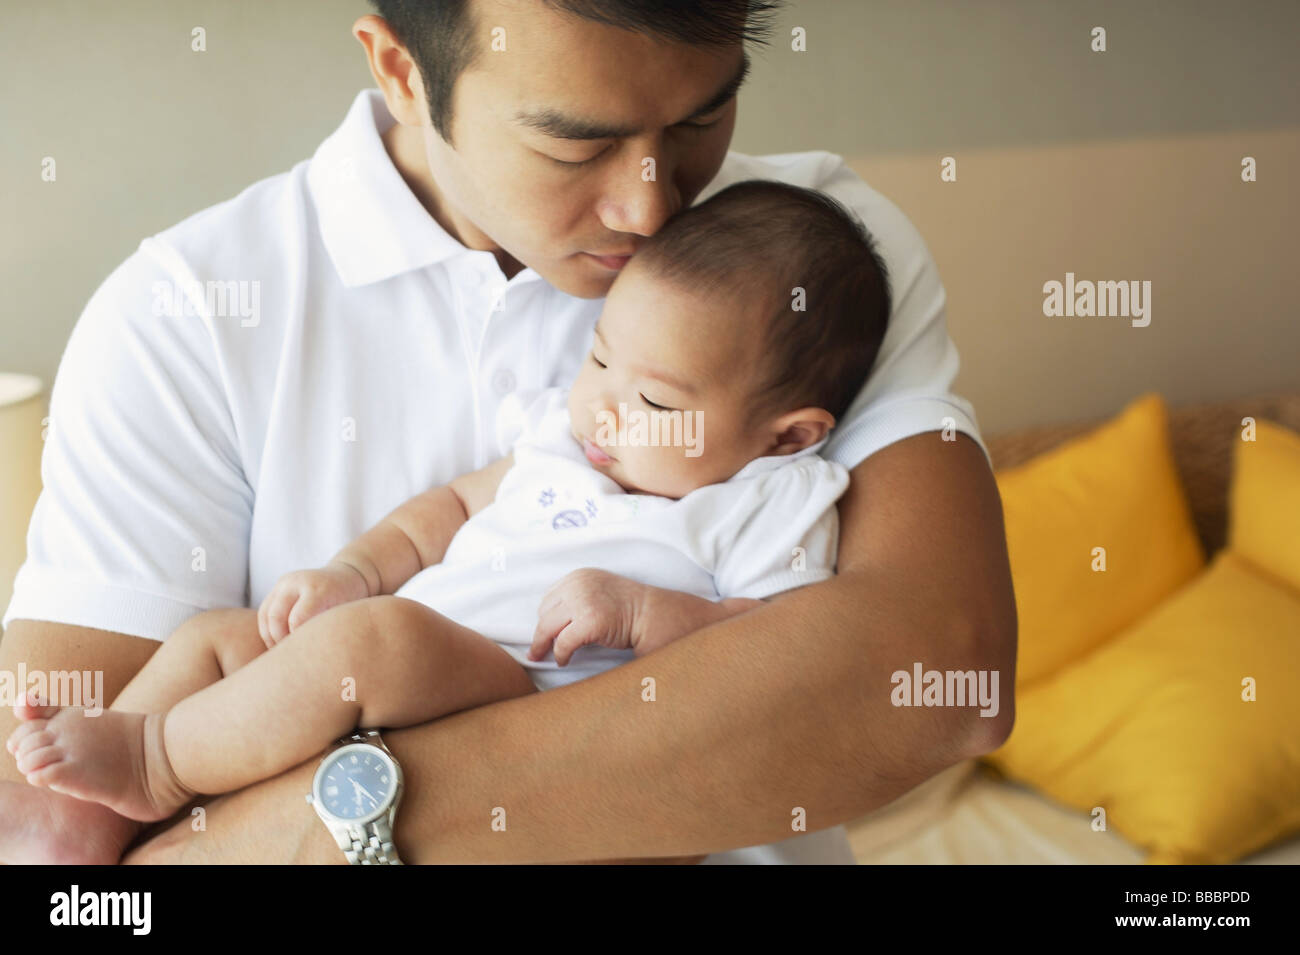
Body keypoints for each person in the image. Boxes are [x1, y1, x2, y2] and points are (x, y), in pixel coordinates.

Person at [0, 0, 1016, 865]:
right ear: (401, 68)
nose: (653, 207)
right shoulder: (185, 311)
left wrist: (330, 828)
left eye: (703, 117)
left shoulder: (814, 264)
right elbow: (61, 833)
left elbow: (933, 679)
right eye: (576, 143)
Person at [7, 180, 892, 866]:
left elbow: (786, 646)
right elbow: (452, 508)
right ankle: (81, 821)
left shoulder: (769, 502)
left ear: (790, 434)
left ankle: (156, 762)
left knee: (375, 641)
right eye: (598, 357)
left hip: (531, 704)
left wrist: (645, 615)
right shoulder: (566, 436)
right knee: (222, 638)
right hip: (406, 678)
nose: (603, 409)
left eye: (654, 398)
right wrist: (355, 570)